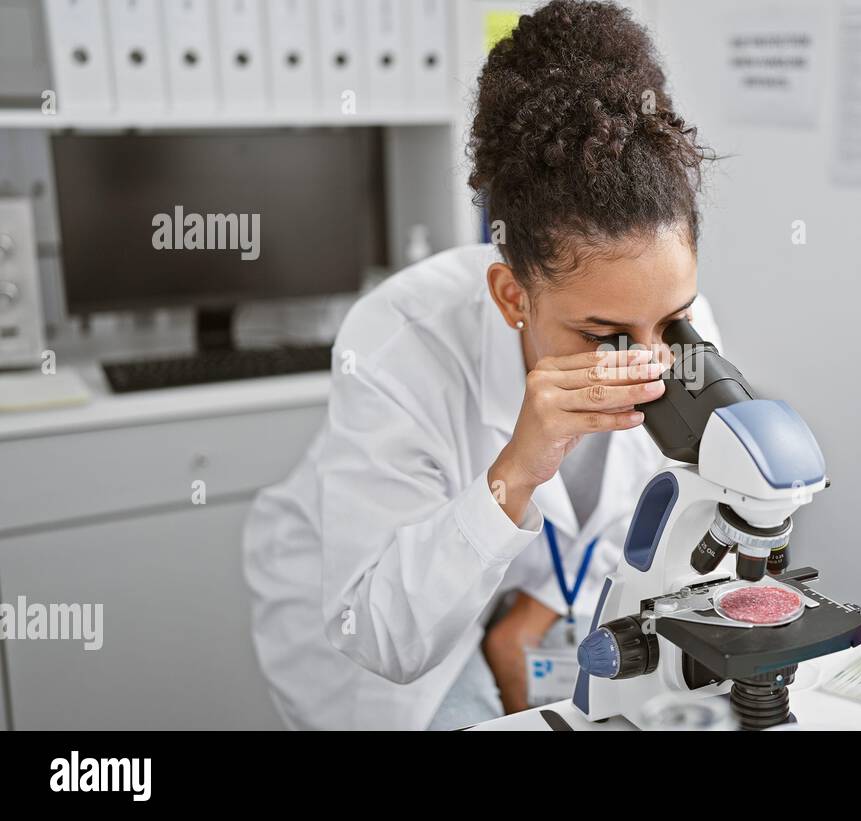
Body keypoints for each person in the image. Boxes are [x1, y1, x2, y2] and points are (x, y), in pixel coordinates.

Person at [242, 0, 721, 729]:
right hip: (379, 611)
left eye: (672, 320)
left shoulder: (669, 320)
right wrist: (519, 468)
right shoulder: (398, 342)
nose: (653, 361)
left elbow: (644, 519)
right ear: (511, 295)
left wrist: (523, 624)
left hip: (527, 594)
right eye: (604, 332)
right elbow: (384, 634)